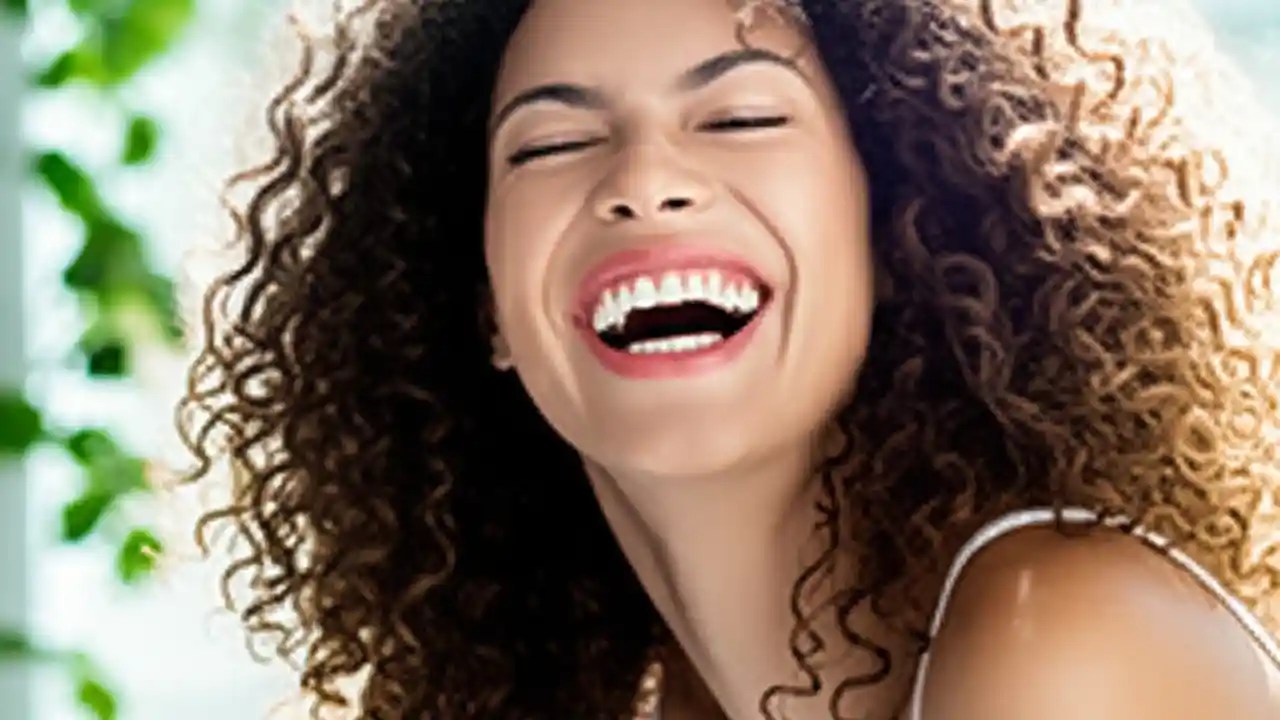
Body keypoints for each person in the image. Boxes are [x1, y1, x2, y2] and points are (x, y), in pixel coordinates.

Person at [177, 0, 1280, 717]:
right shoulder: (672, 700)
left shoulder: (1058, 633)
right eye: (552, 143)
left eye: (741, 116)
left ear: (898, 236)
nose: (642, 180)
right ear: (486, 314)